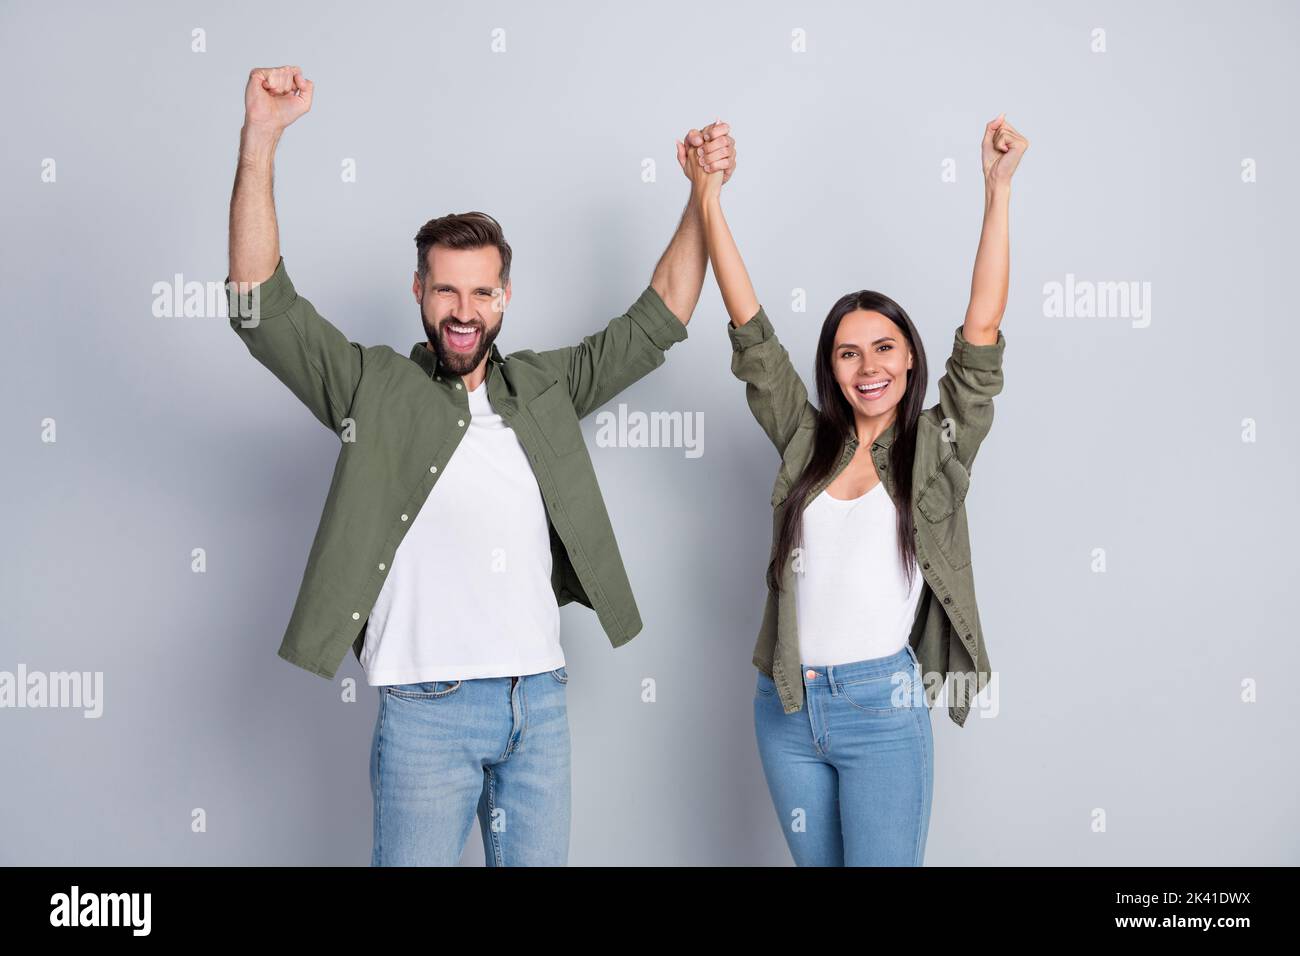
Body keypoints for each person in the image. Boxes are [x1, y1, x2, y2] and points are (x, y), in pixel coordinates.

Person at [223, 65, 736, 865]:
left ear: (505, 298)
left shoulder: (544, 385)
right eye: (447, 291)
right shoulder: (373, 384)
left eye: (483, 292)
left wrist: (702, 194)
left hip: (539, 703)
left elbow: (659, 317)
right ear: (421, 291)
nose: (465, 310)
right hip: (427, 710)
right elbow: (260, 306)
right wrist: (261, 138)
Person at [687, 113, 1026, 865]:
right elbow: (752, 333)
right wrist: (708, 198)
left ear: (909, 361)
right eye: (847, 353)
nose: (866, 365)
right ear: (832, 369)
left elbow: (982, 333)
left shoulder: (936, 446)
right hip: (786, 705)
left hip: (882, 707)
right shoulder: (806, 441)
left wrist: (996, 193)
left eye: (883, 348)